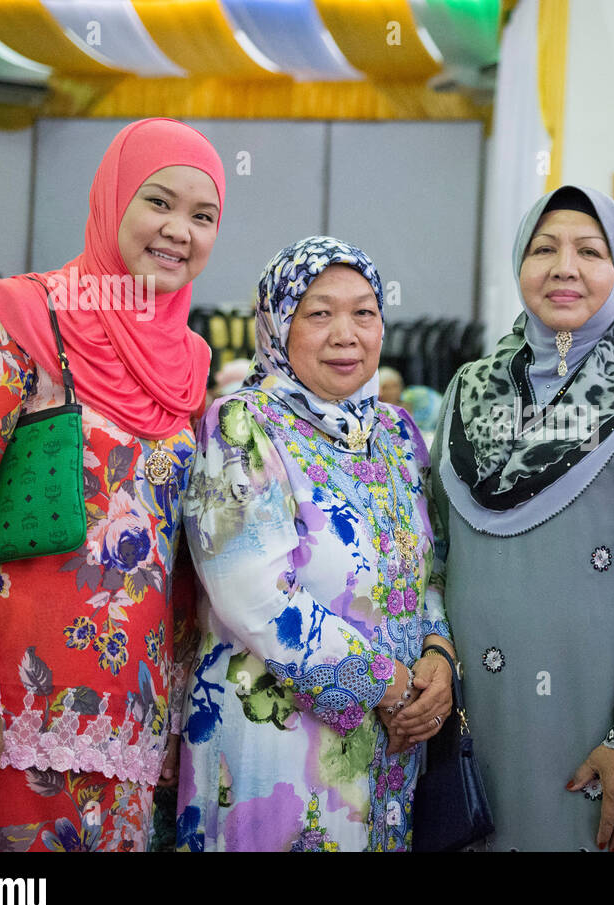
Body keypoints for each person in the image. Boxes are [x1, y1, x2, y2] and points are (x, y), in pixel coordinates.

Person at [0, 118, 225, 852]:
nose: (179, 230)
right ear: (112, 201)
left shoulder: (192, 361)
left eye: (203, 216)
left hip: (129, 721)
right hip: (7, 707)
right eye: (159, 202)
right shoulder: (18, 314)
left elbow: (175, 557)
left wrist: (174, 715)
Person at [428, 184, 614, 851]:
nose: (564, 267)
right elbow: (431, 550)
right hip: (471, 720)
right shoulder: (469, 388)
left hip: (594, 724)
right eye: (543, 247)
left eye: (591, 251)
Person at [176, 237, 454, 852]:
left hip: (395, 742)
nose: (346, 334)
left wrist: (437, 653)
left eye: (364, 312)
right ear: (278, 324)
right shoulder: (241, 425)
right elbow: (251, 591)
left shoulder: (399, 433)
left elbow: (430, 563)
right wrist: (386, 681)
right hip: (276, 742)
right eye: (319, 312)